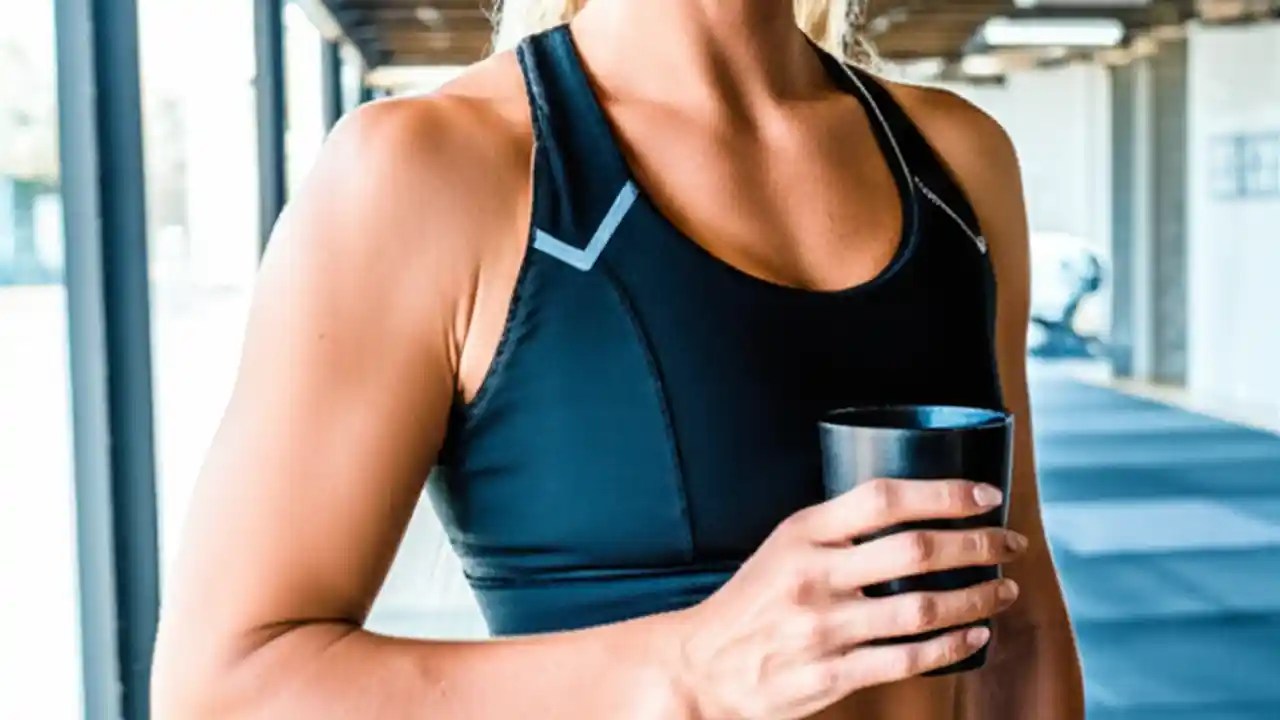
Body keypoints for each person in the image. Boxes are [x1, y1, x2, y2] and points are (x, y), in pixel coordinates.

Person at [151, 0, 1085, 718]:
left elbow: (1022, 617)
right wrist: (688, 668)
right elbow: (228, 688)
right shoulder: (432, 167)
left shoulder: (957, 161)